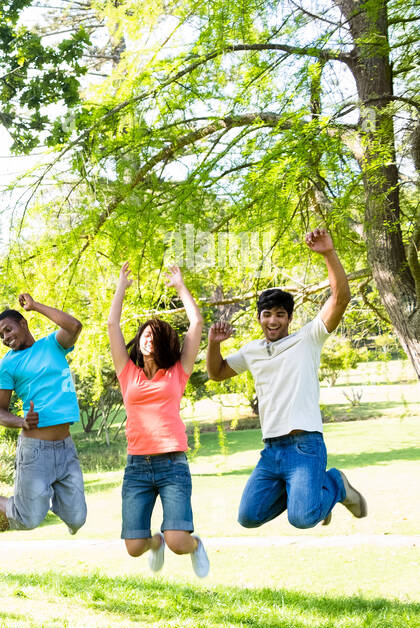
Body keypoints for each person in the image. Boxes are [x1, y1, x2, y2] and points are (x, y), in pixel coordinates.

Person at [207, 227, 367, 528]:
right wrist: (214, 344)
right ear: (258, 318)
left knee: (301, 519)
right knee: (248, 517)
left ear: (289, 319)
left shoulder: (308, 339)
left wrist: (329, 254)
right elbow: (216, 373)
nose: (273, 320)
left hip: (305, 445)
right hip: (271, 451)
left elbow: (341, 298)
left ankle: (335, 485)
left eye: (280, 314)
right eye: (267, 314)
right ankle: (312, 497)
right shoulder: (252, 351)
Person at [108, 263, 209, 577]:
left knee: (179, 542)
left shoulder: (177, 372)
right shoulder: (128, 374)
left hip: (172, 464)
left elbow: (197, 322)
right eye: (144, 336)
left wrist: (180, 286)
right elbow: (112, 325)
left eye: (154, 336)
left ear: (165, 341)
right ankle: (156, 543)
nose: (147, 340)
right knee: (134, 547)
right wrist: (121, 287)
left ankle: (196, 545)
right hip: (137, 466)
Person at [0, 292, 86, 534]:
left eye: (8, 330)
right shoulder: (7, 365)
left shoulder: (53, 345)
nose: (5, 338)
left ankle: (48, 494)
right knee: (26, 519)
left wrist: (35, 306)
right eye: (1, 335)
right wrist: (21, 421)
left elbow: (74, 325)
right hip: (36, 451)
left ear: (23, 323)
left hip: (65, 447)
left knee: (77, 519)